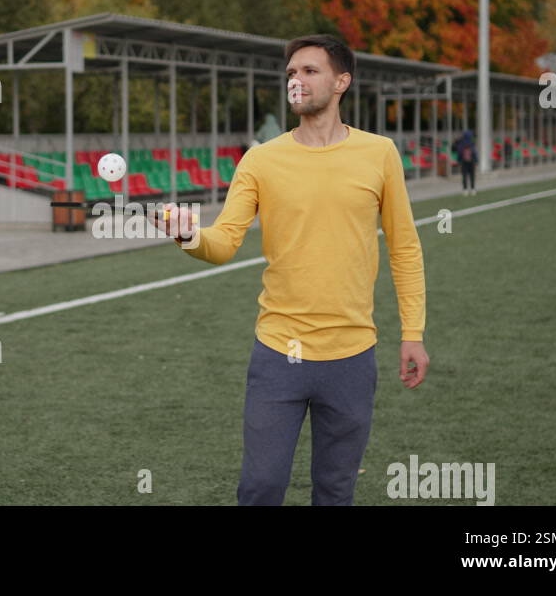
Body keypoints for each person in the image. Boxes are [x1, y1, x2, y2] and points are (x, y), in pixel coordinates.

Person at [153, 34, 429, 506]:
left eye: (309, 71)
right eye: (290, 74)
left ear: (342, 81)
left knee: (335, 491)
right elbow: (224, 243)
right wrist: (189, 235)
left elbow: (404, 248)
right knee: (260, 488)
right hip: (278, 353)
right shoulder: (261, 159)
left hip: (352, 356)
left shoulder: (379, 153)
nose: (296, 81)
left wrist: (413, 331)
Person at [454, 129, 478, 196]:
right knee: (472, 176)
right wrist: (476, 160)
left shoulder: (461, 143)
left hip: (464, 162)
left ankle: (465, 190)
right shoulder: (472, 143)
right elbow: (474, 152)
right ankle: (472, 189)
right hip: (471, 161)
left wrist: (458, 160)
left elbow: (459, 152)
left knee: (464, 176)